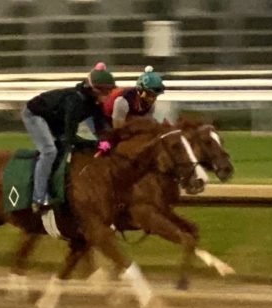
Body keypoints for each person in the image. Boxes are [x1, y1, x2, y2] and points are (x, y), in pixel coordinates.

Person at [22, 63, 116, 212]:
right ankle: (38, 198)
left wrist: (108, 140)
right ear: (93, 89)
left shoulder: (93, 102)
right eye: (105, 91)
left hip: (54, 118)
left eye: (109, 90)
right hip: (35, 114)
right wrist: (95, 144)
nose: (108, 95)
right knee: (49, 151)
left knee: (66, 150)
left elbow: (103, 126)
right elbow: (70, 138)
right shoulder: (75, 102)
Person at [101, 65, 166, 129]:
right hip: (106, 117)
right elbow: (118, 129)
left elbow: (147, 124)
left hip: (129, 115)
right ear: (140, 91)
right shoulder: (123, 101)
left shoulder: (150, 105)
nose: (152, 99)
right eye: (149, 94)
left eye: (155, 96)